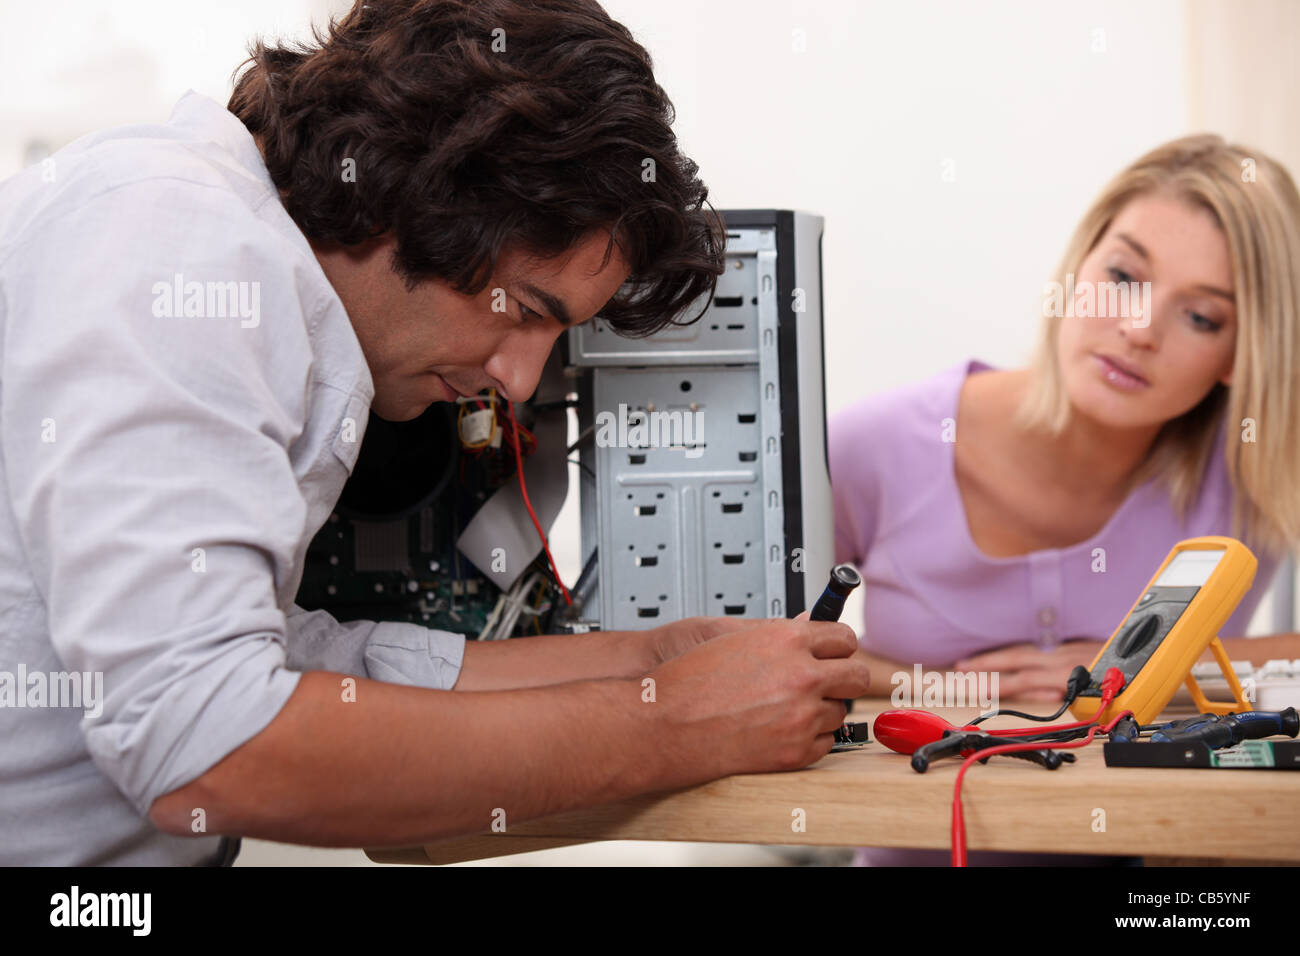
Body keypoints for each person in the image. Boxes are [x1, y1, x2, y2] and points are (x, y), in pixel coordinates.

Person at [0, 0, 869, 865]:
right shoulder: (178, 245)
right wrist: (675, 724)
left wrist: (646, 660)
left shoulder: (227, 255)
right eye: (523, 311)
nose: (519, 378)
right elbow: (210, 746)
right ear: (412, 199)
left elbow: (293, 665)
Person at [830, 134, 1300, 865]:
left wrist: (1152, 668)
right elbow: (744, 652)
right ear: (1079, 268)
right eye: (1123, 275)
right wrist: (936, 682)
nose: (1138, 329)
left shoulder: (1259, 472)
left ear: (1244, 356)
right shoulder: (871, 446)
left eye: (1202, 316)